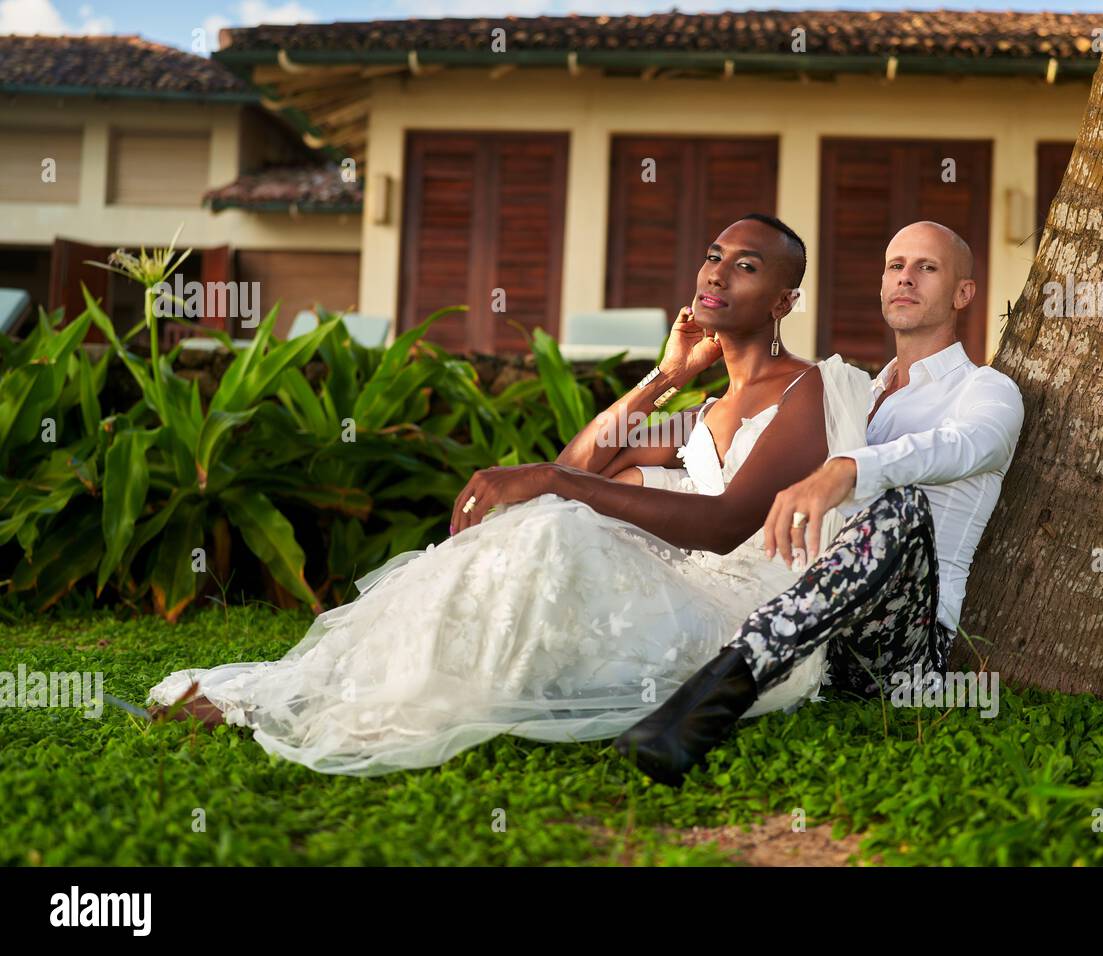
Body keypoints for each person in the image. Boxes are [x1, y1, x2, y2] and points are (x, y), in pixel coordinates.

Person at [146, 214, 876, 776]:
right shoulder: (710, 406)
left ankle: (376, 704)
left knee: (558, 521)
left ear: (785, 298)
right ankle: (329, 690)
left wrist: (557, 483)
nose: (716, 273)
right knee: (552, 520)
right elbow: (581, 459)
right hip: (679, 584)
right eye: (713, 256)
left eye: (744, 266)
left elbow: (721, 524)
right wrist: (666, 377)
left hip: (743, 621)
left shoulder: (808, 389)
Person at [616, 221, 1026, 787]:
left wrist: (846, 470)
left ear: (963, 293)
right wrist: (669, 378)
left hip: (903, 653)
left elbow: (962, 447)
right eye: (895, 266)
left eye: (926, 268)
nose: (905, 278)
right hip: (816, 632)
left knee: (901, 506)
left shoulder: (986, 390)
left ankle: (711, 702)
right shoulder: (851, 392)